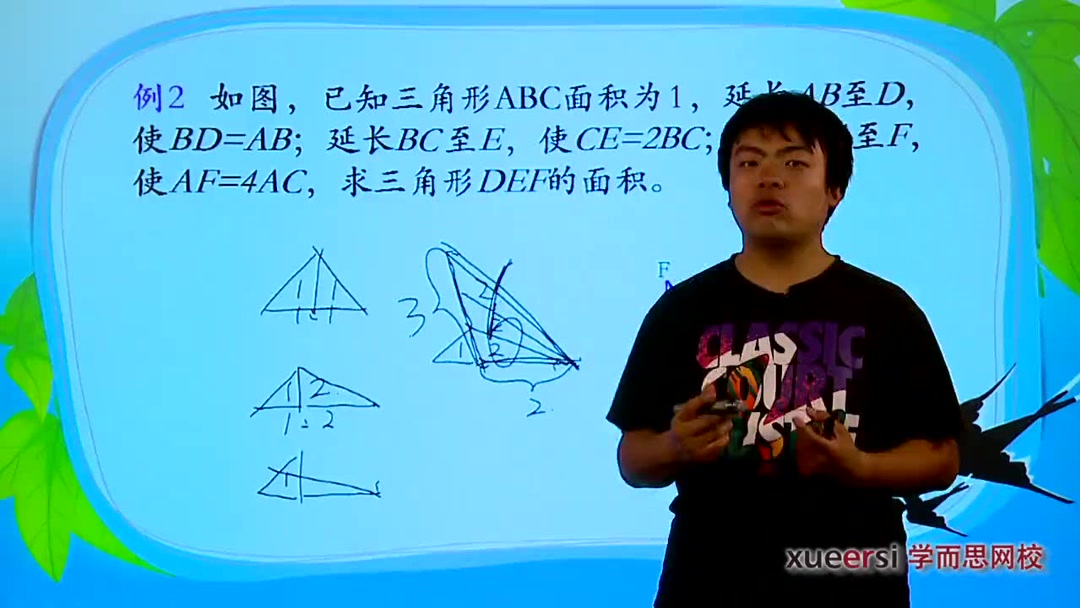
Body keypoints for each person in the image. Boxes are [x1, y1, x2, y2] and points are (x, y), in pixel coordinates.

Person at [605, 91, 965, 607]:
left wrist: (861, 469)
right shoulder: (681, 310)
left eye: (795, 163)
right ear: (728, 188)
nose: (769, 178)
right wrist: (675, 448)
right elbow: (633, 459)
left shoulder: (886, 309)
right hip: (709, 575)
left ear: (835, 190)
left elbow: (942, 458)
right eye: (749, 163)